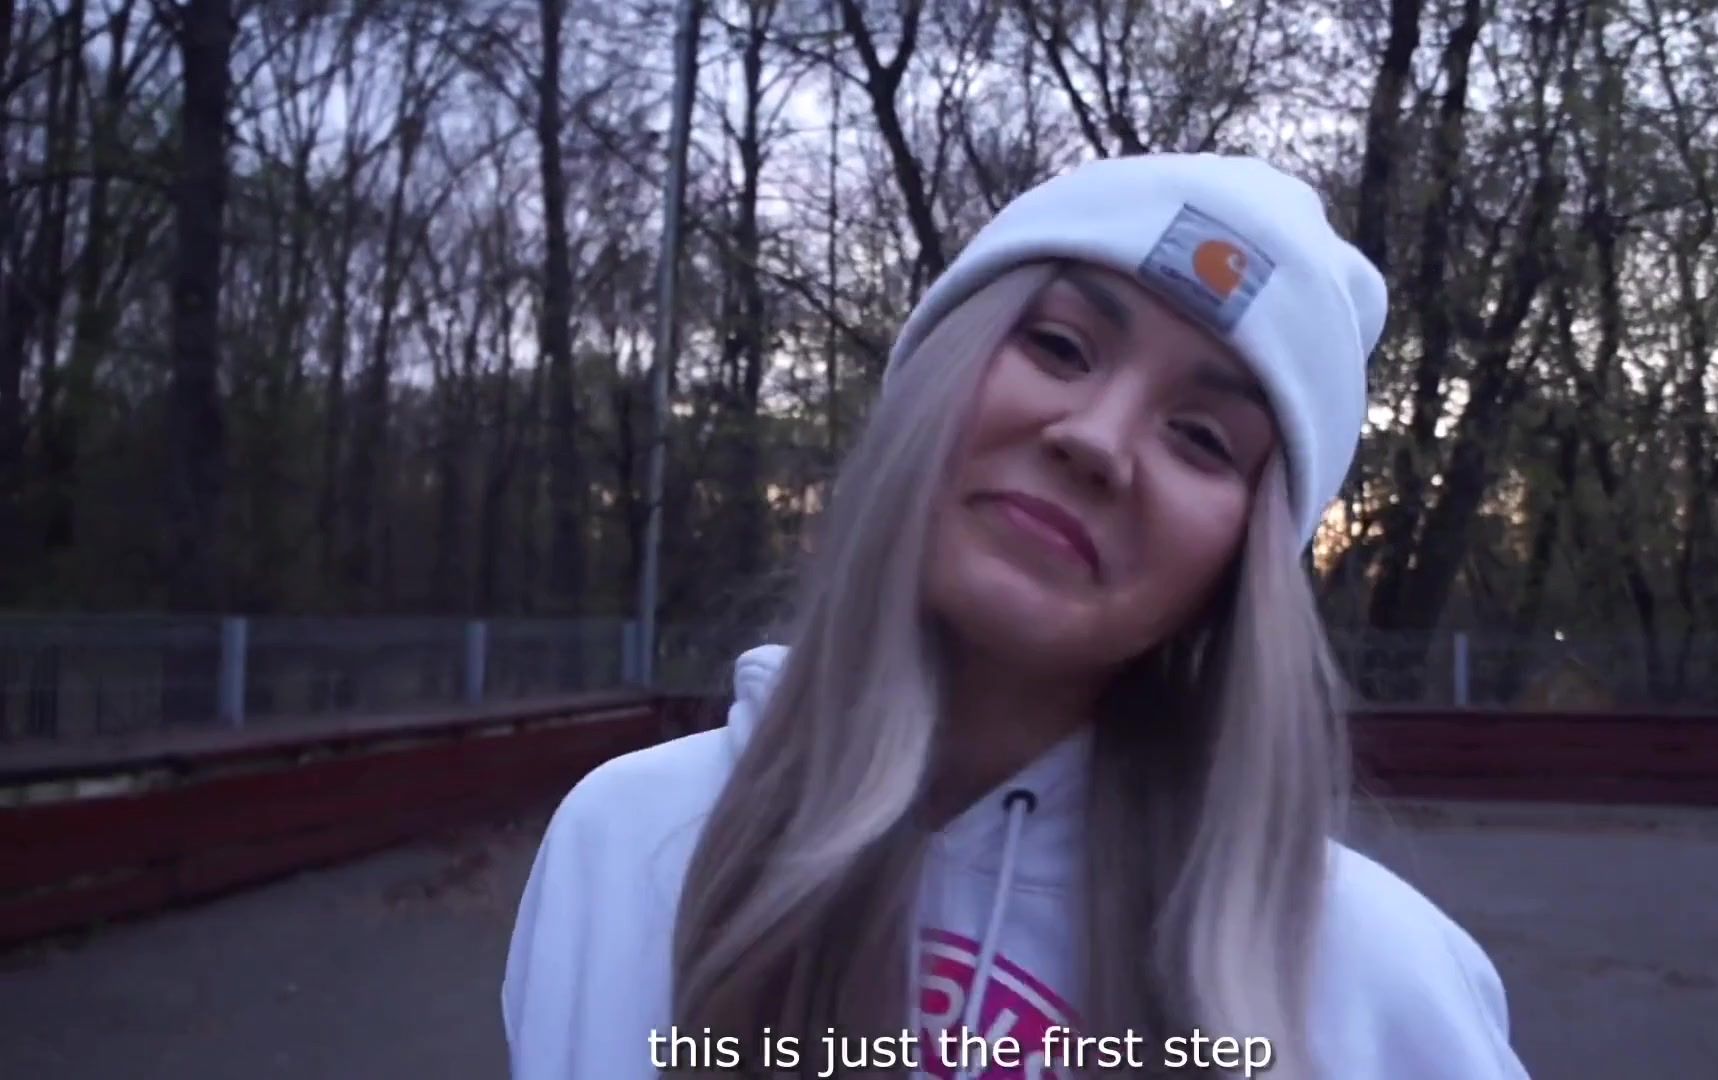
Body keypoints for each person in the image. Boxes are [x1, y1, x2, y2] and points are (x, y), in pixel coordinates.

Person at [501, 153, 1529, 1079]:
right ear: (935, 378)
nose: (1097, 440)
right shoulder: (627, 841)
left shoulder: (1374, 985)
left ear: (1242, 568)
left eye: (1203, 439)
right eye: (1061, 347)